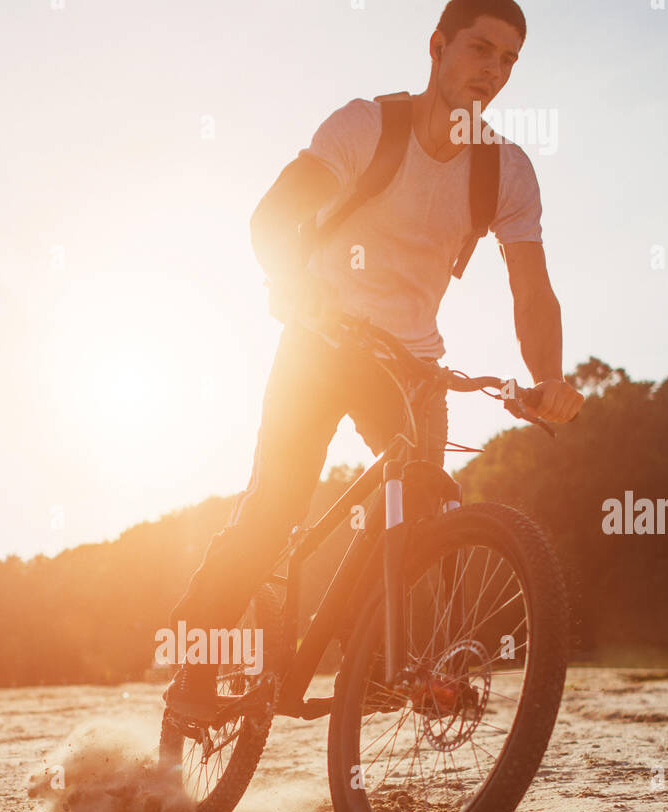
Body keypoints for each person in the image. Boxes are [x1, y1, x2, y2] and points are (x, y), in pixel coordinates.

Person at [164, 0, 584, 725]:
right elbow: (273, 217)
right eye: (481, 50)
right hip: (319, 343)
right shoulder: (368, 126)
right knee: (273, 512)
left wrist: (545, 376)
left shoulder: (505, 172)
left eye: (509, 62)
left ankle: (378, 663)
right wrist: (293, 288)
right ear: (438, 46)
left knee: (426, 507)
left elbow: (532, 290)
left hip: (410, 364)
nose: (494, 71)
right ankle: (191, 680)